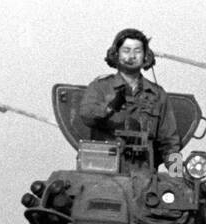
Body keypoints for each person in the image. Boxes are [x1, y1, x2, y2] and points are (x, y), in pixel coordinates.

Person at [78, 28, 182, 175]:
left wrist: (177, 175)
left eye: (138, 51)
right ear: (116, 54)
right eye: (126, 50)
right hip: (101, 172)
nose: (132, 56)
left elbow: (170, 143)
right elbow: (86, 115)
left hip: (143, 176)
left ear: (146, 56)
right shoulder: (100, 87)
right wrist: (110, 108)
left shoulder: (157, 94)